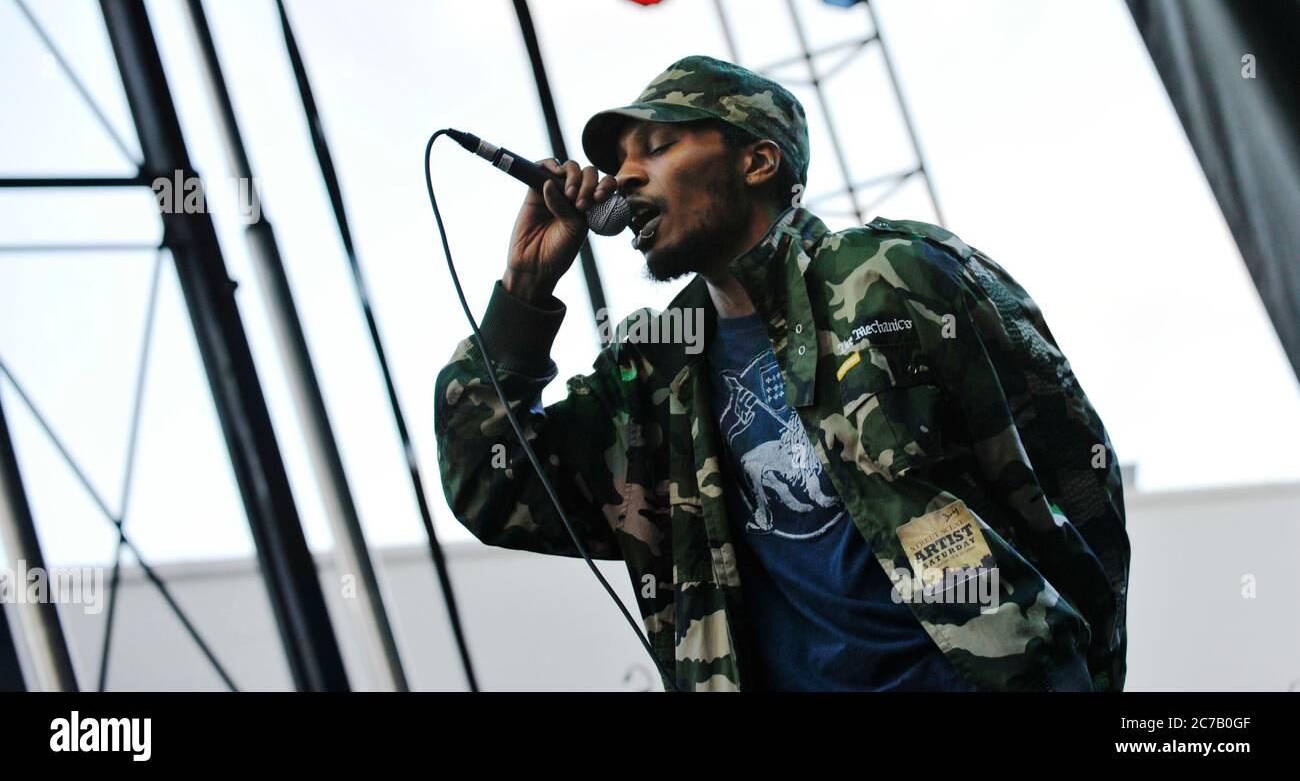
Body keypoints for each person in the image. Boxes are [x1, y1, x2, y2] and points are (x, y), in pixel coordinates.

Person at [435, 54, 1130, 692]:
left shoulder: (896, 273)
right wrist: (524, 293)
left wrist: (1080, 677)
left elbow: (1073, 472)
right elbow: (494, 490)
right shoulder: (651, 369)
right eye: (620, 162)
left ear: (758, 161)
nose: (623, 178)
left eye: (657, 146)